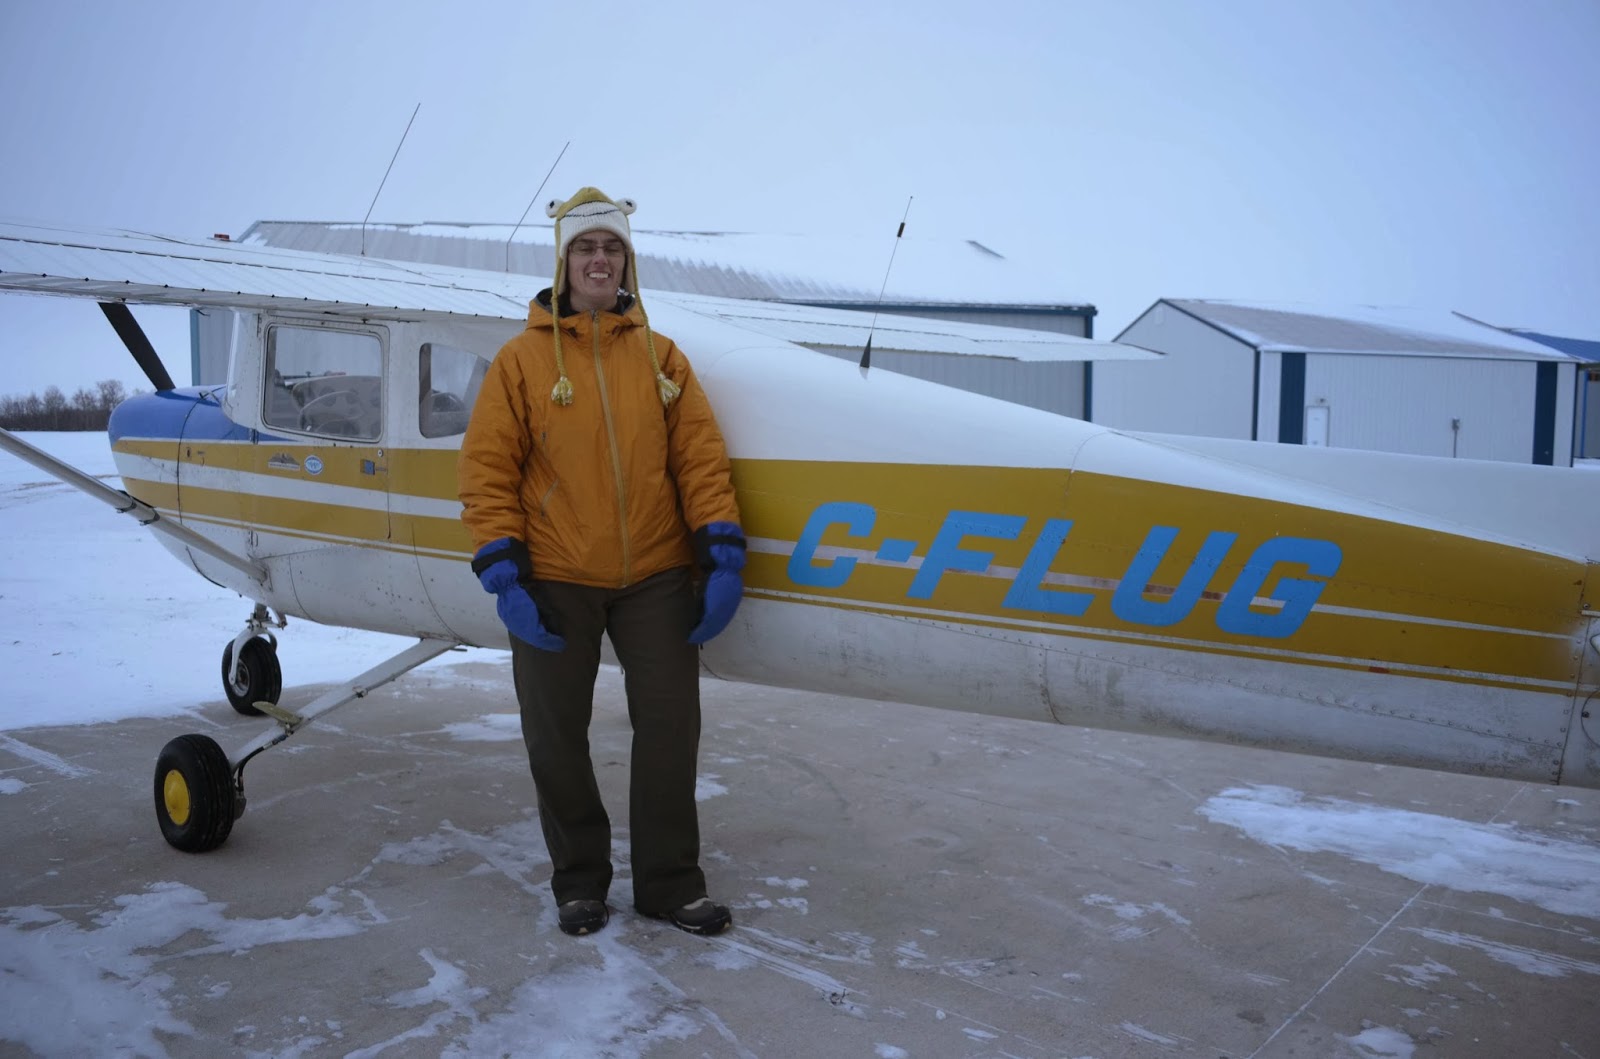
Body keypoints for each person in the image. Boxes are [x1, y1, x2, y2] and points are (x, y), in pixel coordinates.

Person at [458, 187, 745, 938]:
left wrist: (720, 552)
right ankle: (579, 880)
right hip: (555, 575)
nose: (598, 259)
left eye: (611, 248)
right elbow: (487, 469)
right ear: (563, 261)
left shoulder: (660, 357)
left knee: (671, 725)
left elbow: (701, 459)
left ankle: (669, 883)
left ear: (626, 263)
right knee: (555, 736)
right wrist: (502, 571)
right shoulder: (521, 362)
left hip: (653, 575)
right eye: (586, 247)